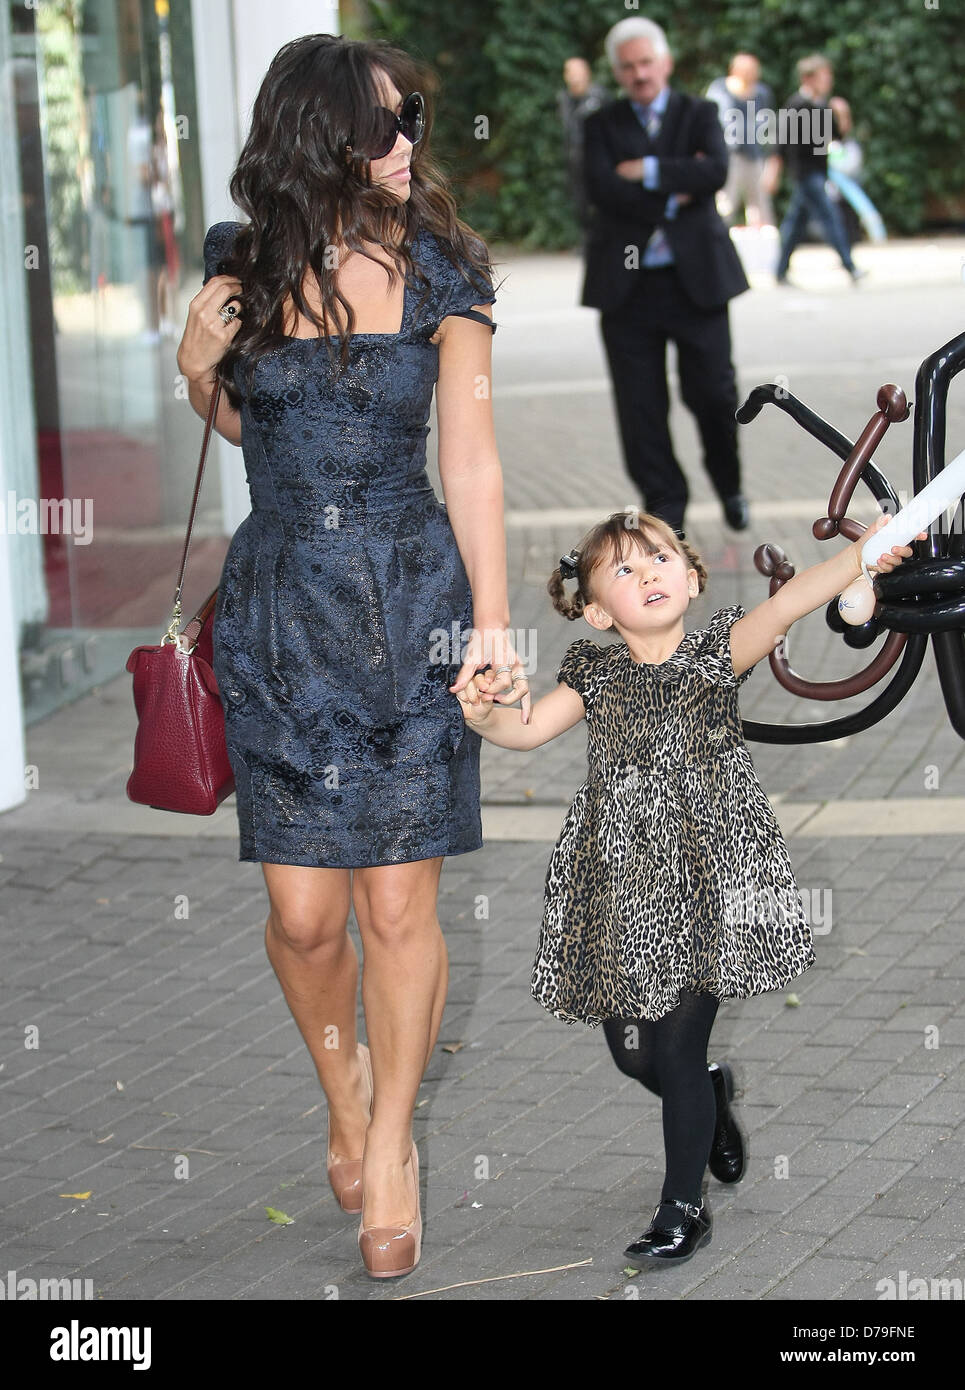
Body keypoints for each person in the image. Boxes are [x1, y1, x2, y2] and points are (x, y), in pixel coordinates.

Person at [176, 33, 531, 1280]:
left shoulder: (443, 266)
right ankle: (343, 1093)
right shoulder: (245, 264)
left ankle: (390, 1143)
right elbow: (249, 423)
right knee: (301, 916)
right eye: (382, 124)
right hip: (277, 615)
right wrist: (195, 375)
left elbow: (472, 459)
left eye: (414, 117)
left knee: (396, 902)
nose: (407, 143)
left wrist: (492, 622)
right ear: (316, 137)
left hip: (407, 606)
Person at [454, 506, 922, 1264]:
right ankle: (710, 1097)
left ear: (692, 576)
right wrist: (482, 716)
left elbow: (792, 598)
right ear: (598, 610)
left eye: (660, 558)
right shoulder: (595, 675)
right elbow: (527, 727)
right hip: (619, 889)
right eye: (625, 569)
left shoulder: (716, 654)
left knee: (671, 1052)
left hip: (710, 880)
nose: (648, 575)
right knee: (636, 1057)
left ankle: (681, 1207)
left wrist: (865, 554)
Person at [580, 17, 751, 541]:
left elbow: (715, 172)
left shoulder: (699, 113)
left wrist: (646, 170)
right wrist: (679, 181)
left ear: (665, 62)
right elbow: (601, 189)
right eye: (627, 67)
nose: (639, 74)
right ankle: (666, 509)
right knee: (640, 408)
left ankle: (729, 484)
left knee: (715, 394)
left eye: (646, 62)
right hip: (627, 288)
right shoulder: (600, 124)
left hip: (695, 282)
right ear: (617, 71)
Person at [774, 55, 866, 285]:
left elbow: (835, 137)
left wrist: (841, 115)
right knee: (830, 216)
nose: (827, 81)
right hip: (805, 174)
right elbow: (782, 143)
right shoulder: (796, 105)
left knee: (795, 224)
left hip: (818, 171)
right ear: (808, 78)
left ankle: (780, 269)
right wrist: (774, 170)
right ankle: (850, 265)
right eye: (823, 76)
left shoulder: (822, 105)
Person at [705, 52, 780, 228]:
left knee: (761, 207)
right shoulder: (719, 89)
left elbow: (769, 127)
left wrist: (772, 162)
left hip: (754, 155)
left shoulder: (762, 93)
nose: (750, 74)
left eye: (753, 70)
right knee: (725, 205)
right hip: (728, 155)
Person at [557, 57, 609, 236]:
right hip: (575, 158)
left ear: (587, 74)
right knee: (580, 200)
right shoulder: (564, 99)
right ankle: (587, 240)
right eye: (570, 72)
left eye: (577, 72)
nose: (574, 77)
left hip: (598, 158)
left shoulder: (599, 96)